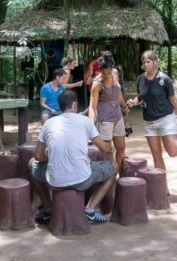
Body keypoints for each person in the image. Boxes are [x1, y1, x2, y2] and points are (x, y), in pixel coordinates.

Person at [29, 91, 114, 224]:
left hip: (54, 182)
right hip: (82, 180)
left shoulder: (49, 123)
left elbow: (38, 156)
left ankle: (48, 208)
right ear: (74, 105)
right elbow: (105, 149)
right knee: (114, 167)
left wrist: (51, 159)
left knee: (31, 163)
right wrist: (110, 148)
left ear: (60, 107)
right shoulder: (85, 121)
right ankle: (90, 210)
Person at [127, 50, 177, 172]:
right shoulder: (140, 79)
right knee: (156, 156)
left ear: (154, 62)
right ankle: (163, 188)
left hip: (166, 118)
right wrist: (133, 102)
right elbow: (141, 96)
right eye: (144, 62)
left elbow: (173, 100)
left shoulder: (164, 79)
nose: (145, 64)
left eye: (148, 61)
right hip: (149, 122)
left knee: (173, 152)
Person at [88, 55, 128, 173]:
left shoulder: (115, 74)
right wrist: (90, 124)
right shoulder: (97, 84)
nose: (106, 76)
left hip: (118, 116)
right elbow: (92, 106)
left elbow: (118, 93)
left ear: (112, 69)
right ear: (100, 70)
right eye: (104, 73)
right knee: (107, 151)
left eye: (109, 73)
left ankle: (119, 178)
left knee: (121, 149)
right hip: (105, 119)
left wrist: (125, 106)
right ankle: (108, 180)